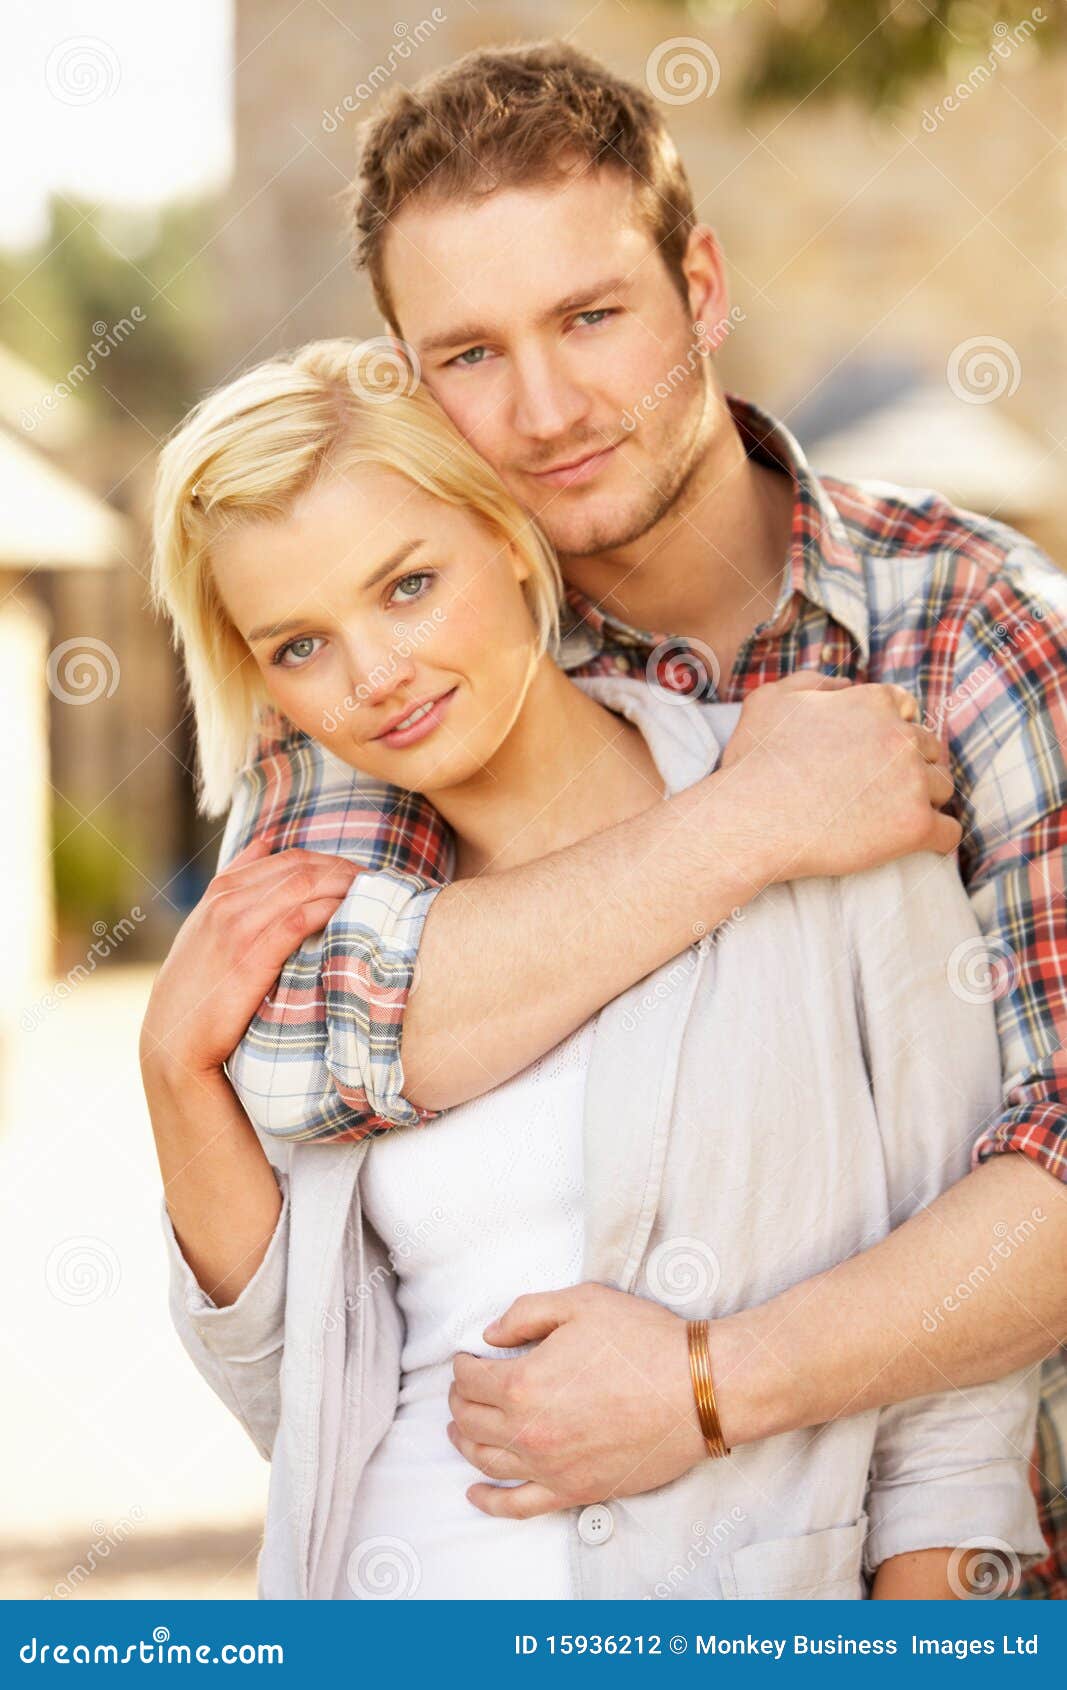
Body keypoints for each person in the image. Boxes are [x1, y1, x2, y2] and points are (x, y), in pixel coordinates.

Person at [150, 42, 1067, 1596]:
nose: (546, 408)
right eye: (470, 353)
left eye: (590, 317)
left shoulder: (972, 628)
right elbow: (307, 1047)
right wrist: (756, 820)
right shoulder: (404, 668)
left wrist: (711, 1384)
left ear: (700, 288)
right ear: (406, 373)